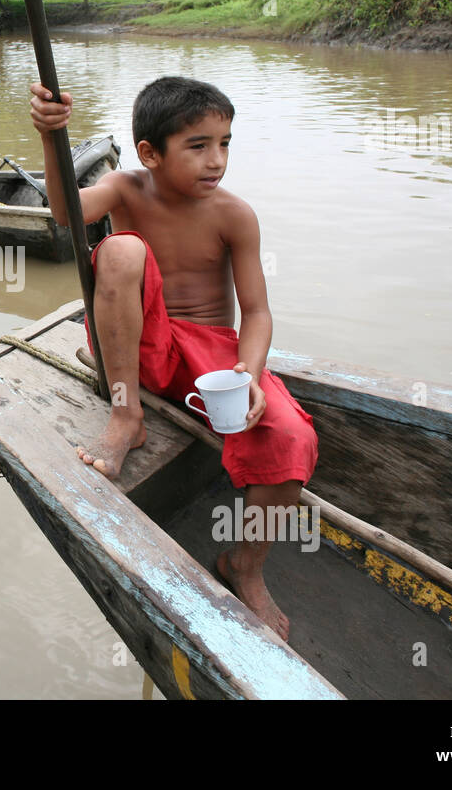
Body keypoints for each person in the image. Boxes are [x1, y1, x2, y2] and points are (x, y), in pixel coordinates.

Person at [29, 77, 318, 641]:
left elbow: (256, 313)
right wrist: (50, 136)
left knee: (292, 439)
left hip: (212, 359)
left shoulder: (235, 215)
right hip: (137, 348)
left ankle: (246, 564)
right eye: (199, 145)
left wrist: (250, 374)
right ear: (149, 153)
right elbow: (65, 213)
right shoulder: (124, 188)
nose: (218, 161)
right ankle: (126, 414)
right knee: (119, 248)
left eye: (226, 143)